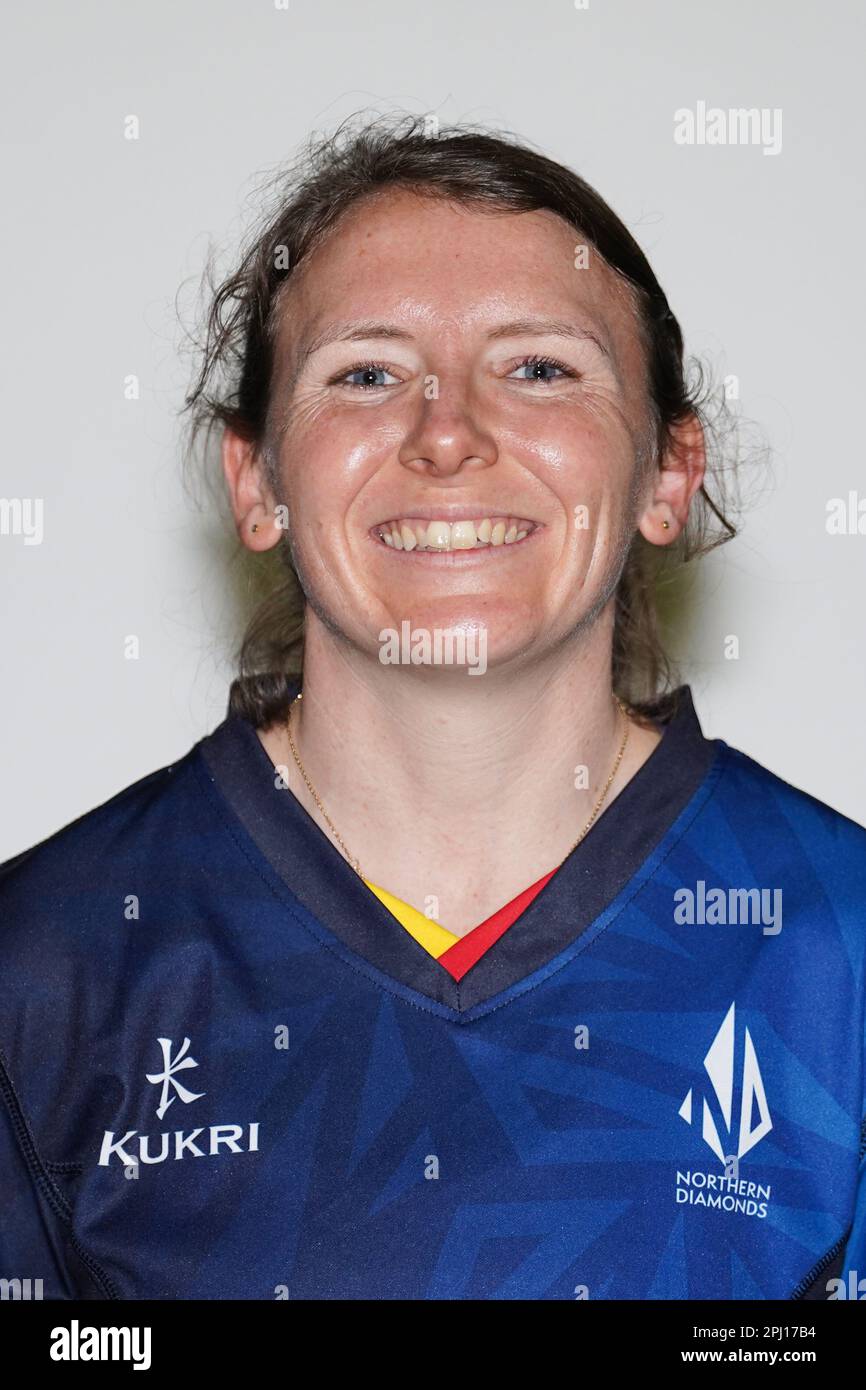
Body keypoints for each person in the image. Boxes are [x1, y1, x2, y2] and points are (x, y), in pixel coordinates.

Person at [1, 114, 864, 1301]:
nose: (446, 432)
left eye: (539, 368)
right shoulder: (46, 967)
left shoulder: (836, 953)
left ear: (667, 473)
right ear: (254, 481)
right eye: (366, 373)